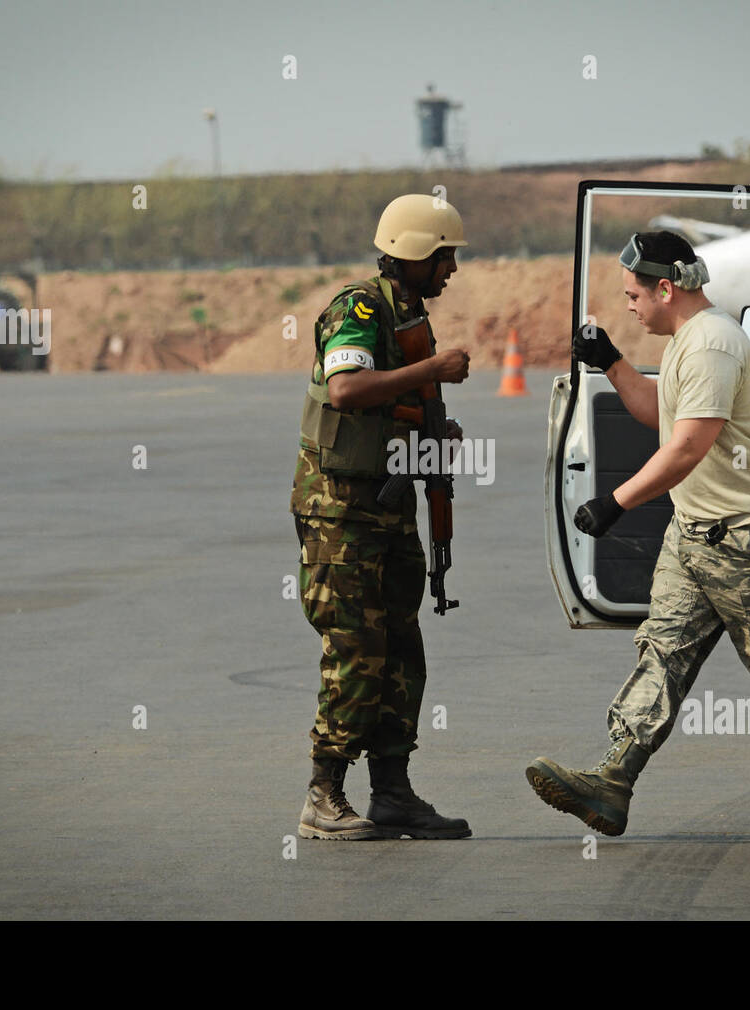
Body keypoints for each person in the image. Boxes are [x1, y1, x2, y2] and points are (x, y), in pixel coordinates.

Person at [526, 230, 750, 842]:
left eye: (635, 294)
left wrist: (616, 501)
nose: (629, 304)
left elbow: (689, 443)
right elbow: (658, 412)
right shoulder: (691, 340)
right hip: (695, 539)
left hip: (748, 542)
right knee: (662, 654)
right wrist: (611, 360)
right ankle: (613, 782)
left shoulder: (712, 342)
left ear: (667, 289)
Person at [291, 193, 472, 840]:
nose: (452, 268)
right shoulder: (360, 308)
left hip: (386, 509)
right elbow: (345, 389)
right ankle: (324, 796)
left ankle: (392, 792)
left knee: (400, 651)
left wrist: (430, 428)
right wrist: (433, 369)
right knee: (355, 650)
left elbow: (383, 405)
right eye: (445, 256)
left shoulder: (408, 312)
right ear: (417, 255)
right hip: (341, 512)